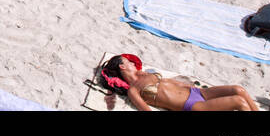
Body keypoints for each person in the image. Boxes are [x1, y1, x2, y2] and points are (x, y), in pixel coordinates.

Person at [99, 54, 259, 111]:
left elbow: (170, 82)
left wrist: (192, 87)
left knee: (239, 90)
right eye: (129, 62)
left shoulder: (146, 73)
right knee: (239, 102)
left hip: (197, 93)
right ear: (122, 66)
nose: (133, 63)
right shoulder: (133, 91)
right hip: (191, 106)